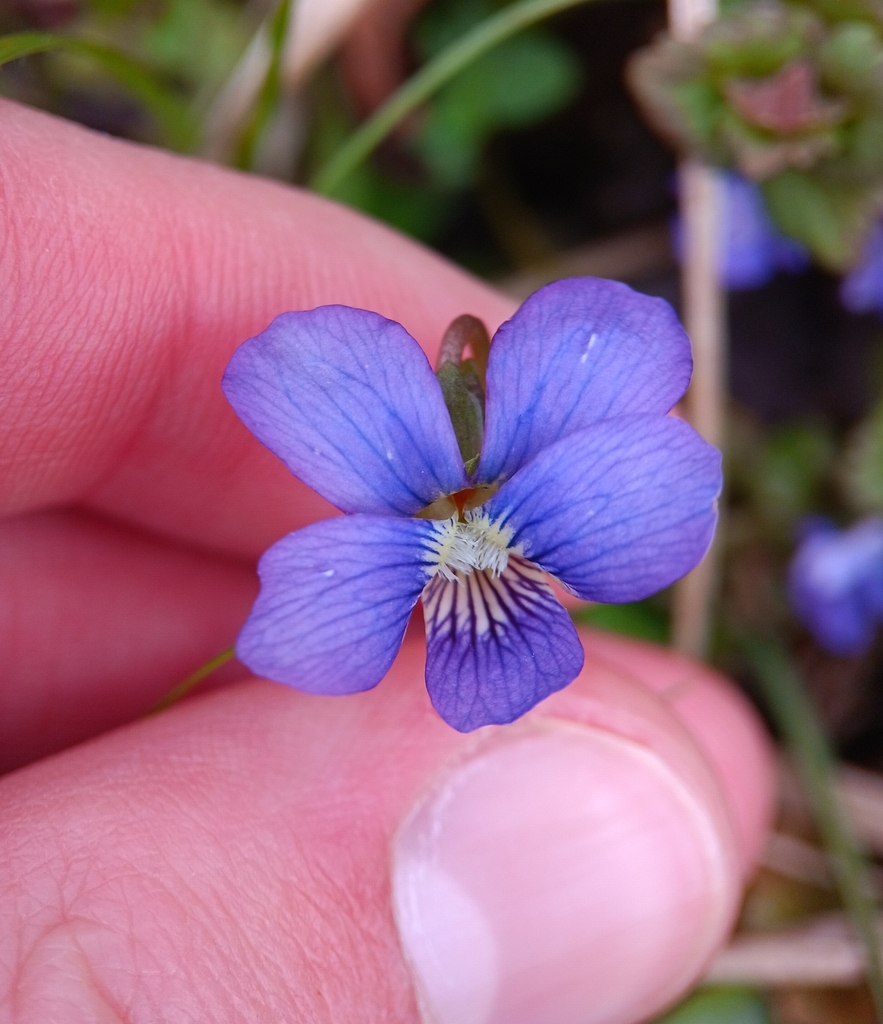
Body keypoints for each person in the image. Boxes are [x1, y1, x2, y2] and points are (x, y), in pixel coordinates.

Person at [0, 98, 774, 1023]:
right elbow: (321, 613)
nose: (474, 555)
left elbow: (651, 484)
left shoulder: (479, 506)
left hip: (454, 499)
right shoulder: (445, 504)